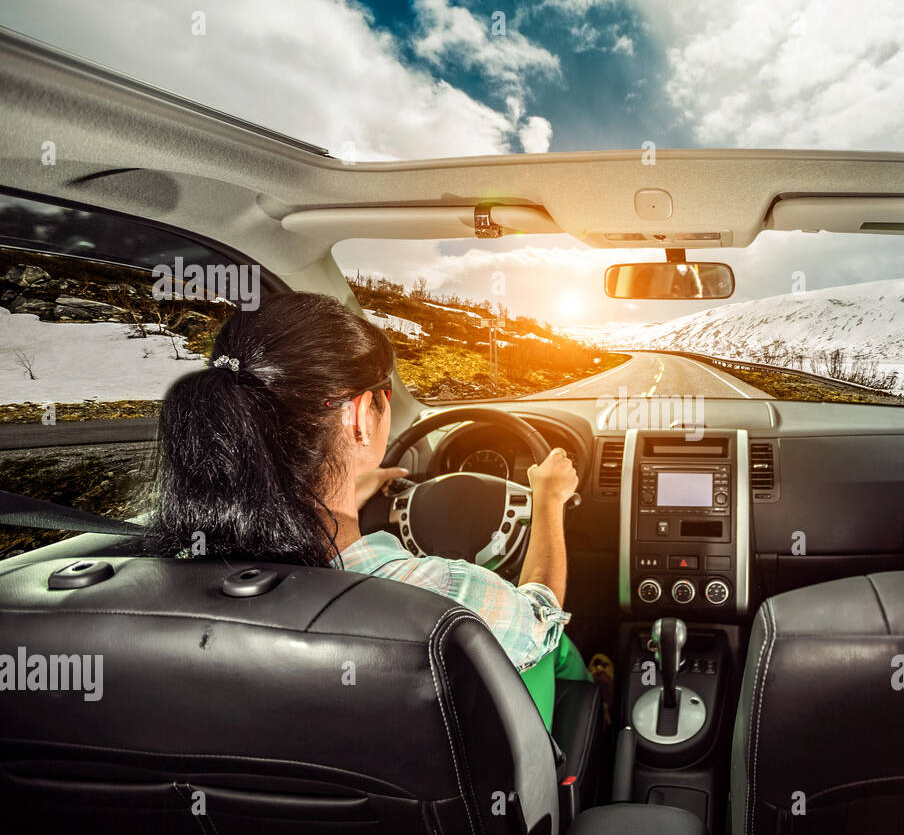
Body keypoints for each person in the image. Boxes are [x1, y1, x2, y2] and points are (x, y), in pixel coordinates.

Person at [149, 291, 589, 729]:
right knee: (556, 652)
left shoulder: (157, 581)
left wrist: (341, 501)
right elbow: (539, 620)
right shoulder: (439, 600)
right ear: (359, 417)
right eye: (384, 393)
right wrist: (549, 500)